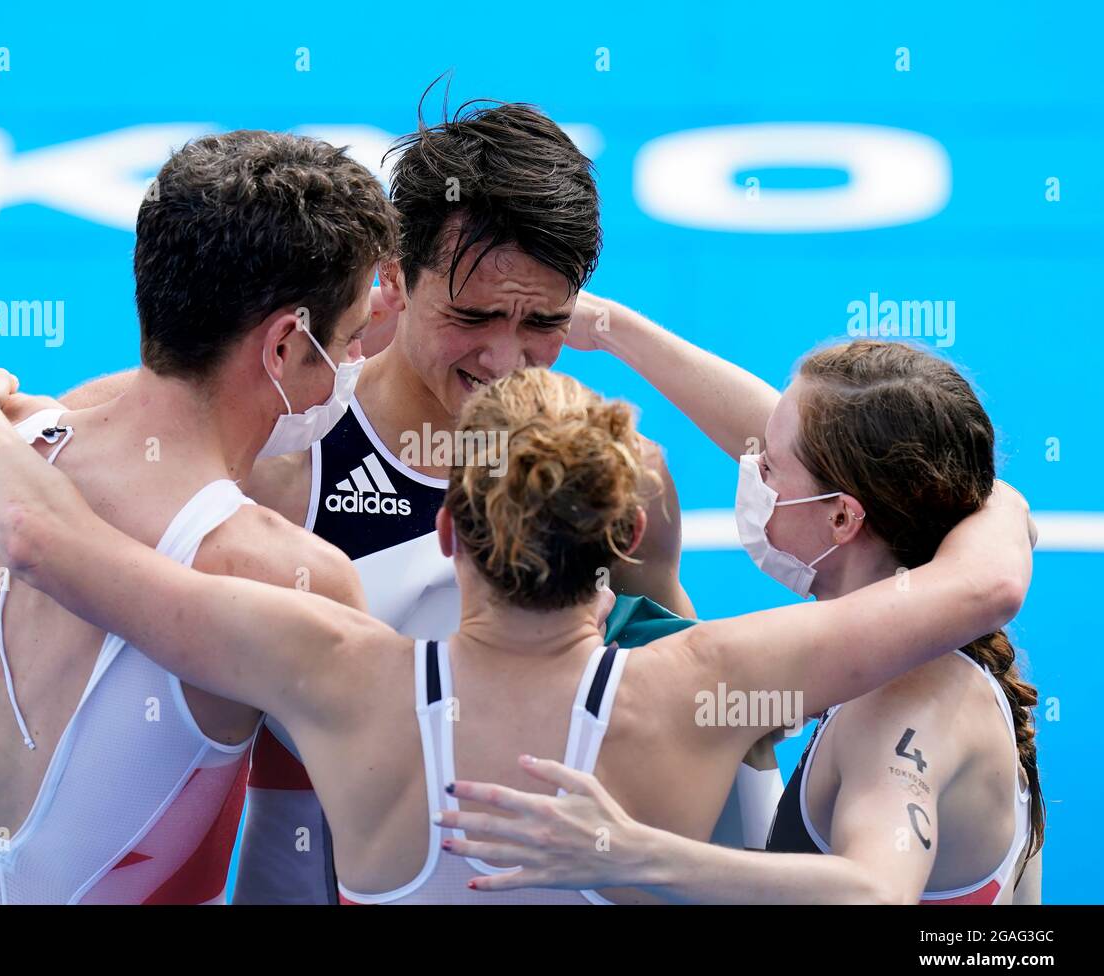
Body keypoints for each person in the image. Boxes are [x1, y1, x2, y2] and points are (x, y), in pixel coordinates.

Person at [0, 98, 779, 903]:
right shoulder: (273, 455)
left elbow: (696, 697)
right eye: (471, 319)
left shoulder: (603, 472)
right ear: (396, 285)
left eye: (543, 322)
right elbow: (73, 584)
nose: (505, 358)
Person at [0, 359, 1033, 904]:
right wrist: (981, 490)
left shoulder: (330, 670)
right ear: (629, 527)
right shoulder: (709, 678)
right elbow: (977, 583)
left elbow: (57, 550)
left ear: (445, 530)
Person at [0, 129, 395, 903]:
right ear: (283, 347)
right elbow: (384, 865)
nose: (352, 370)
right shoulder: (281, 575)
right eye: (346, 344)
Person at [430, 315, 1046, 904]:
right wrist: (610, 327)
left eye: (769, 466)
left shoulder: (901, 703)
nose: (750, 470)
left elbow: (877, 894)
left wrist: (626, 850)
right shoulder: (911, 646)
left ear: (842, 515)